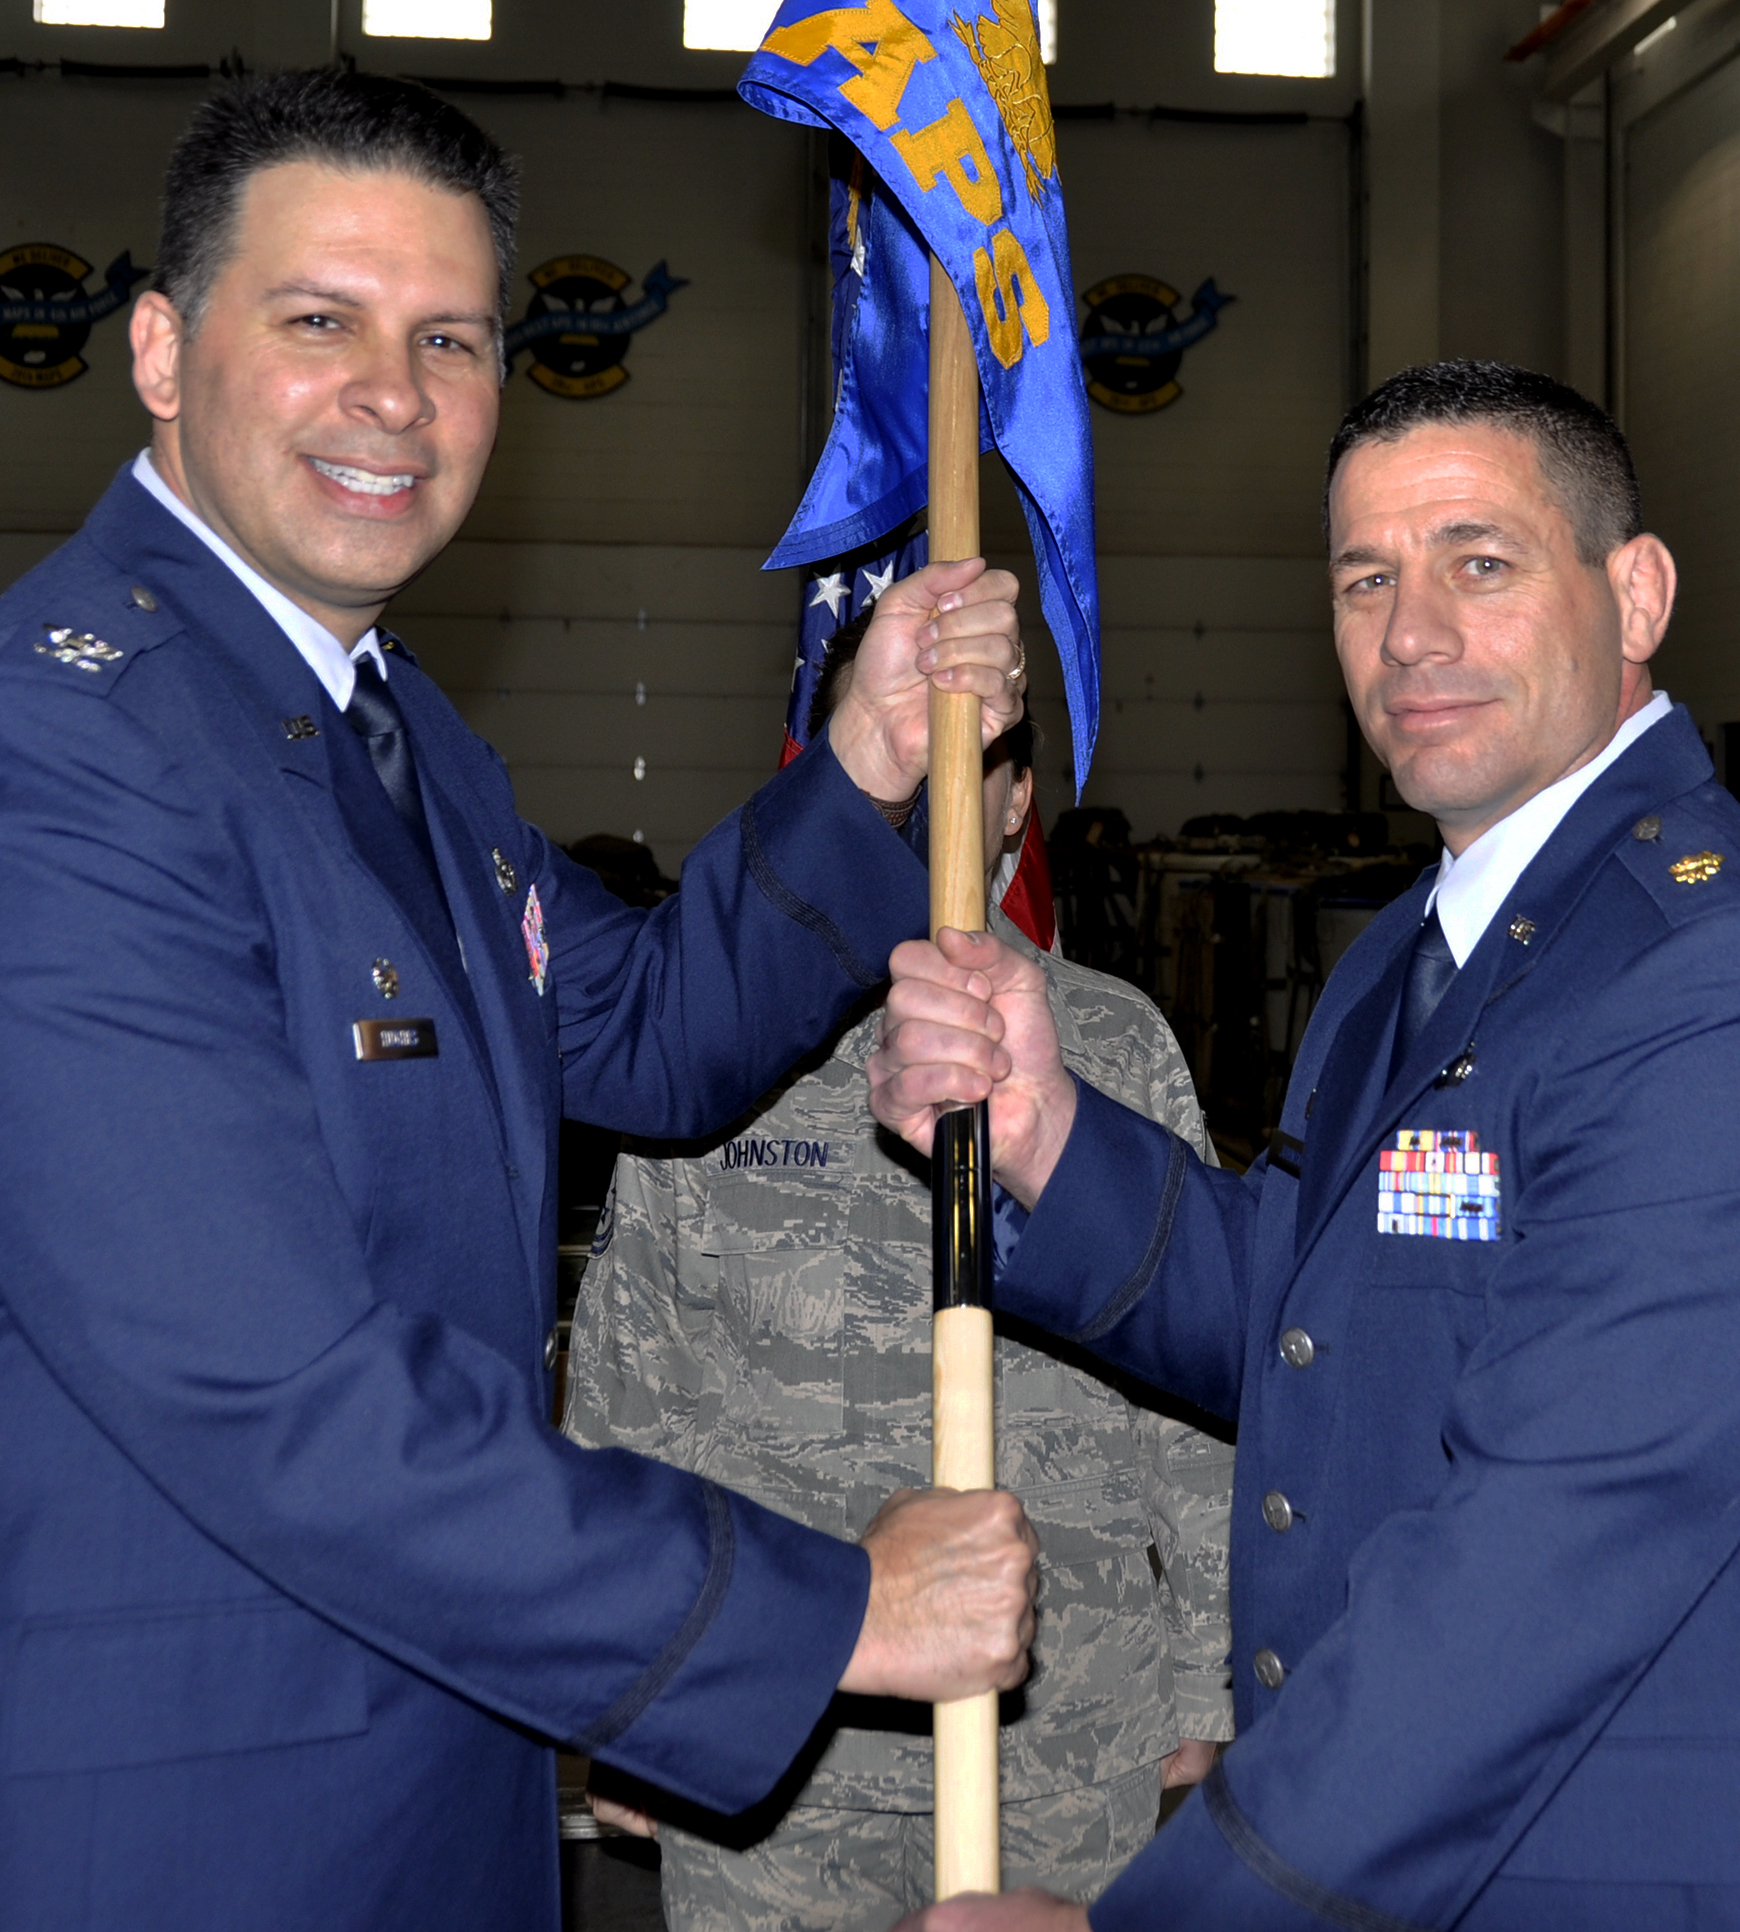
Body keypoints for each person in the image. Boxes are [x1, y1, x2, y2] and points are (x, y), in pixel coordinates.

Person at [0, 70, 1041, 1932]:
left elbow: (642, 1032)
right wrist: (828, 1608)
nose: (393, 396)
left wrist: (871, 756)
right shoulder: (66, 756)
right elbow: (281, 1393)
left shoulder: (394, 736)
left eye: (453, 338)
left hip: (427, 1790)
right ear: (161, 351)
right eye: (319, 320)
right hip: (197, 1832)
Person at [867, 361, 1740, 1932]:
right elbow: (1323, 1320)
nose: (1411, 634)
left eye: (1480, 562)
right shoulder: (1416, 949)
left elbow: (1540, 1562)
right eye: (1365, 578)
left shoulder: (1699, 970)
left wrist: (1178, 1914)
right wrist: (1048, 1136)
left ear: (1638, 591)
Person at [564, 618, 1235, 1929]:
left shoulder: (1114, 1043)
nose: (932, 810)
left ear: (1019, 804)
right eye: (899, 768)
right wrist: (633, 1680)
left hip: (1067, 1717)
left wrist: (1203, 1680)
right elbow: (629, 1382)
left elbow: (1194, 1398)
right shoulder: (725, 1036)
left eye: (968, 766)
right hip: (777, 1728)